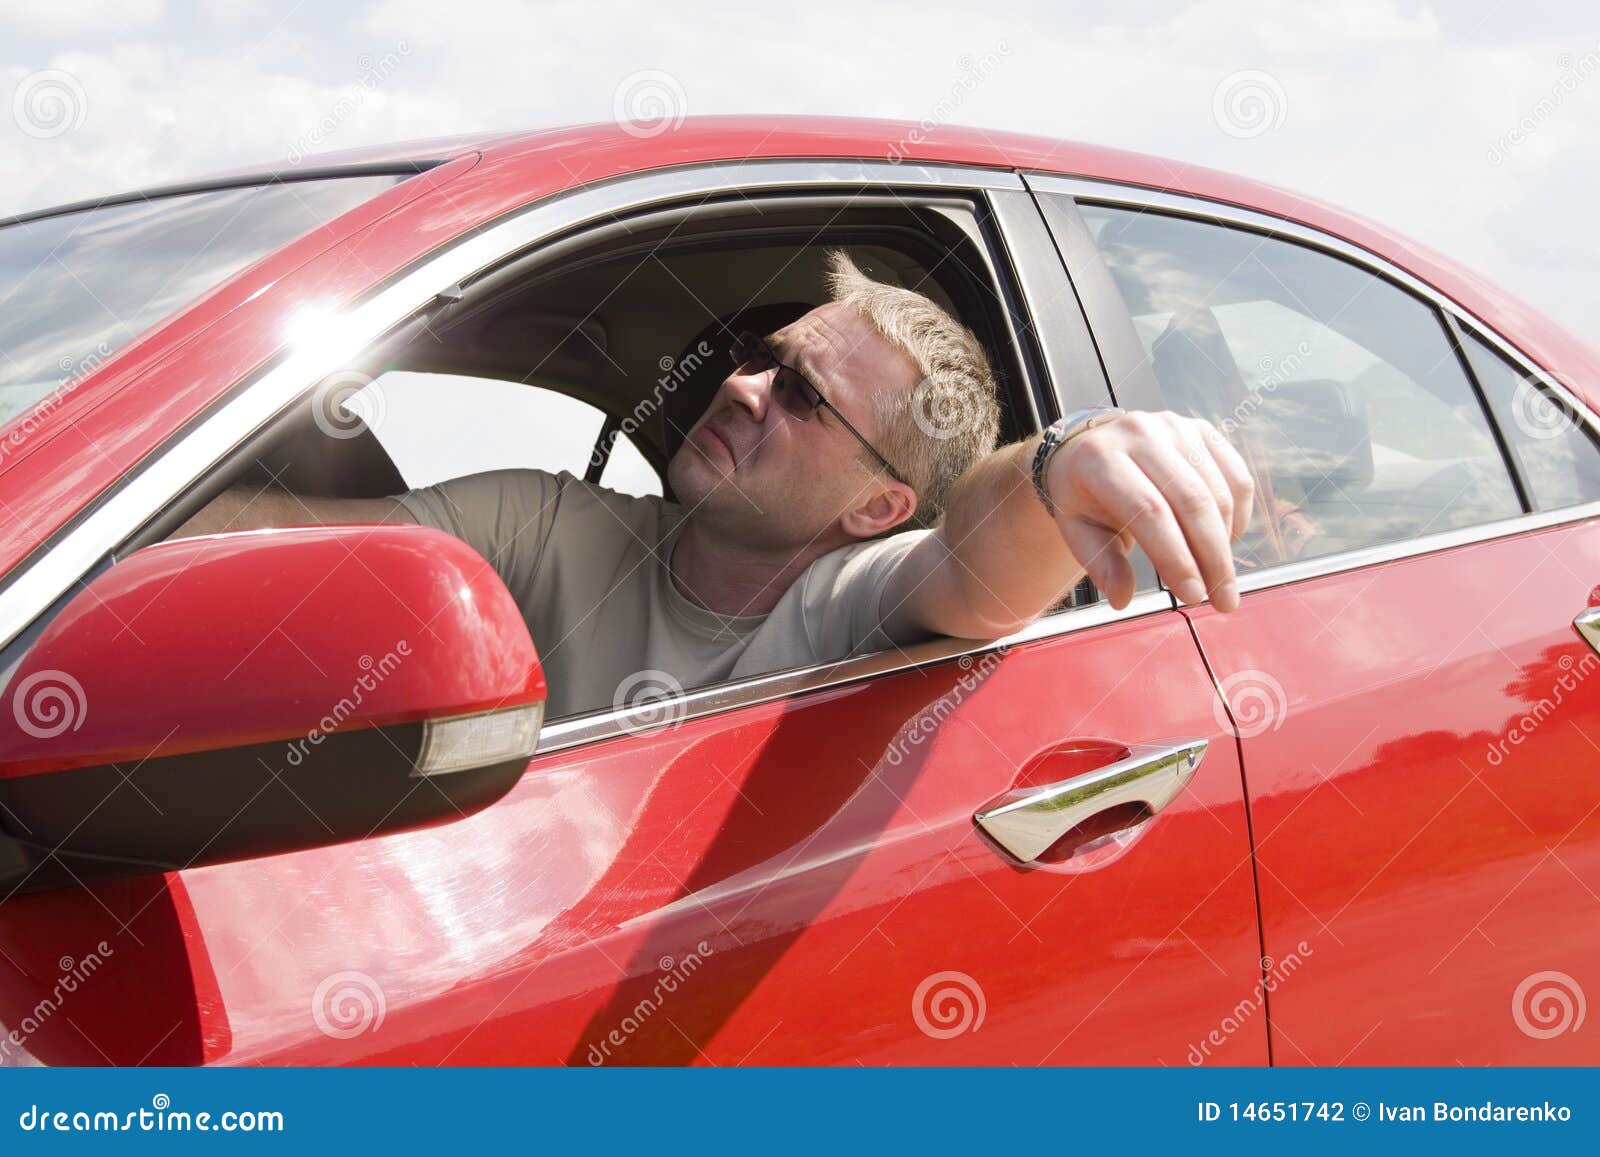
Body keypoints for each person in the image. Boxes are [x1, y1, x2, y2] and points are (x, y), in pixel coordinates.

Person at [176, 251, 1252, 718]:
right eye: (758, 355)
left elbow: (977, 566)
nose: (741, 385)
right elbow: (280, 546)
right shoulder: (549, 517)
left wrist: (1066, 455)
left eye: (798, 392)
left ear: (874, 507)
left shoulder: (842, 601)